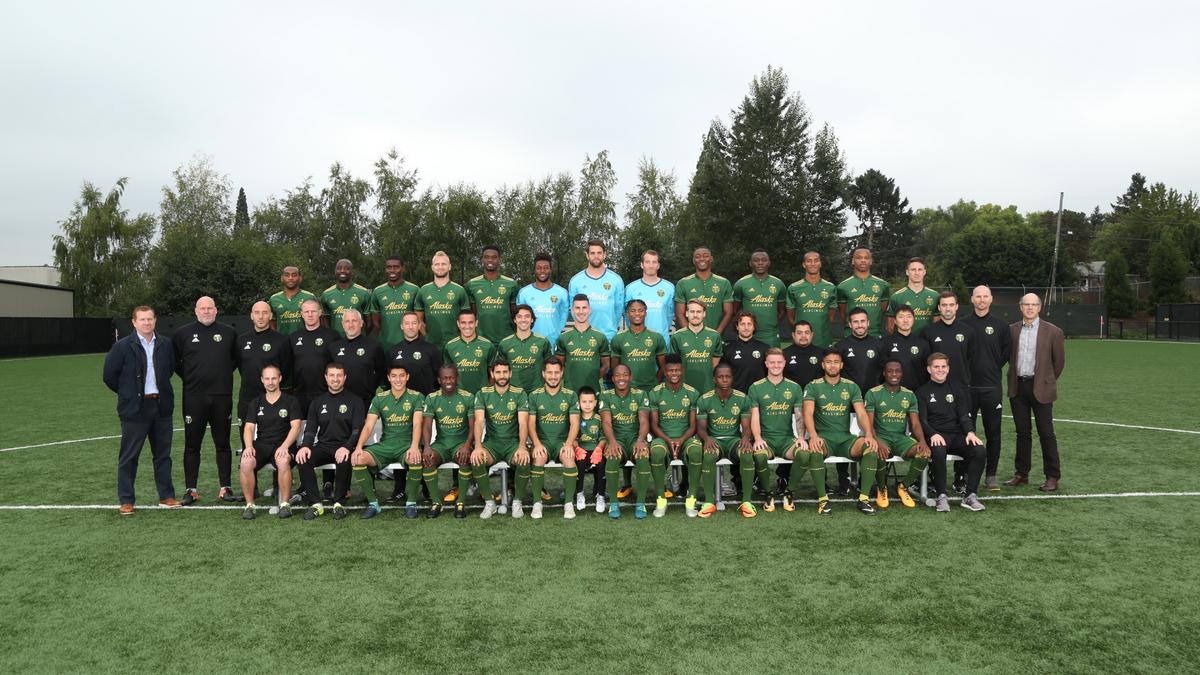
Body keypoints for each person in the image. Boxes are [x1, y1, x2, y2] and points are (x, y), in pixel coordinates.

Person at [103, 306, 179, 515]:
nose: (147, 323)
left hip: (161, 406)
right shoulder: (122, 346)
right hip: (135, 409)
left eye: (150, 319)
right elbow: (109, 376)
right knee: (129, 456)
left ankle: (166, 496)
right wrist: (129, 394)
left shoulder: (165, 344)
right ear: (134, 322)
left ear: (155, 321)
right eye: (142, 320)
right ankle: (127, 500)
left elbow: (169, 369)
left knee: (163, 455)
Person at [172, 296, 238, 505]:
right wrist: (192, 377)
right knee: (192, 445)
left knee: (223, 444)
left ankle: (225, 488)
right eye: (203, 308)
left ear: (216, 310)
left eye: (210, 308)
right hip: (194, 397)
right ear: (196, 311)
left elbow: (235, 361)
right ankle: (191, 490)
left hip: (222, 396)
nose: (207, 311)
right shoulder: (183, 333)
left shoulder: (229, 333)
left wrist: (220, 375)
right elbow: (175, 362)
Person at [802, 348, 877, 515]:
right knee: (814, 450)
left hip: (845, 439)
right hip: (824, 439)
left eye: (836, 362)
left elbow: (861, 413)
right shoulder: (813, 386)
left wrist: (869, 434)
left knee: (870, 449)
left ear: (841, 365)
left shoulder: (851, 387)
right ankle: (823, 500)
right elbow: (807, 413)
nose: (832, 365)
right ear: (823, 365)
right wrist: (813, 436)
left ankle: (863, 499)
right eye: (828, 362)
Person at [1005, 293, 1065, 492]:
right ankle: (1021, 474)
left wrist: (1045, 380)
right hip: (1018, 386)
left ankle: (1052, 476)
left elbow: (1059, 363)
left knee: (1046, 433)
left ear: (1039, 307)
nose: (1030, 308)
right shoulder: (1012, 330)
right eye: (1026, 305)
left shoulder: (1053, 332)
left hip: (1041, 388)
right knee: (1022, 433)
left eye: (1034, 305)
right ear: (1020, 307)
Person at [351, 364, 427, 520]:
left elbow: (417, 423)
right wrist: (358, 447)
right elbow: (368, 426)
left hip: (406, 445)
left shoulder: (417, 396)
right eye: (394, 376)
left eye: (401, 375)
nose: (398, 379)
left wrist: (414, 447)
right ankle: (373, 504)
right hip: (386, 445)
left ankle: (411, 503)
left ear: (407, 377)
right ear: (388, 378)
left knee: (415, 458)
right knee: (358, 459)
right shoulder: (380, 398)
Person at [917, 353, 987, 512]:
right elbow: (922, 420)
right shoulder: (922, 392)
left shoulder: (957, 389)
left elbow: (964, 415)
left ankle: (970, 496)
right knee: (939, 451)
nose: (940, 370)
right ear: (929, 369)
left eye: (943, 367)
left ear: (948, 369)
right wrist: (933, 433)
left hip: (957, 436)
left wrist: (970, 432)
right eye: (936, 367)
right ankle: (942, 496)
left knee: (979, 450)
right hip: (936, 436)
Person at [295, 362, 365, 520]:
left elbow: (357, 430)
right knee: (302, 458)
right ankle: (316, 504)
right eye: (332, 375)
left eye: (339, 375)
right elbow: (311, 429)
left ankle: (339, 503)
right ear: (326, 378)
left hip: (345, 447)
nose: (335, 379)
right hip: (324, 446)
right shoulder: (318, 402)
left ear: (345, 378)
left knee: (344, 458)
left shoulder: (355, 401)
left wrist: (347, 447)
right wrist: (305, 446)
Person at [862, 360, 932, 510]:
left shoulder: (909, 395)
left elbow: (915, 424)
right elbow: (869, 423)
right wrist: (876, 441)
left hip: (900, 438)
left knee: (924, 454)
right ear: (884, 373)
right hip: (880, 436)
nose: (894, 374)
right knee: (877, 452)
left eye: (897, 371)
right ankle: (882, 488)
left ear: (902, 373)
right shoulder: (873, 393)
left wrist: (922, 441)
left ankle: (903, 486)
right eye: (890, 371)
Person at [961, 285, 1012, 490]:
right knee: (967, 432)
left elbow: (1005, 355)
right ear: (972, 299)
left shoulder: (1001, 326)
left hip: (991, 388)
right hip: (967, 388)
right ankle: (964, 474)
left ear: (991, 300)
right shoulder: (963, 324)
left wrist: (989, 368)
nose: (981, 300)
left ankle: (991, 475)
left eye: (985, 296)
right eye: (978, 296)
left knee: (994, 433)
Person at [747, 348, 808, 513]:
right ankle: (768, 493)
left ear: (784, 364)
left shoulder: (794, 387)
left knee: (803, 453)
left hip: (786, 439)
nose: (776, 365)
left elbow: (799, 416)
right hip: (767, 440)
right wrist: (758, 438)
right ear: (766, 364)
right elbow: (755, 416)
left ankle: (789, 492)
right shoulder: (756, 388)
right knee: (759, 456)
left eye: (779, 362)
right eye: (772, 362)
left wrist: (801, 437)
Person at [237, 364, 301, 519]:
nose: (270, 382)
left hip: (284, 445)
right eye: (267, 379)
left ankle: (285, 505)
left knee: (283, 460)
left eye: (274, 378)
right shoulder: (256, 402)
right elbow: (249, 428)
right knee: (246, 462)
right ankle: (250, 505)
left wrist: (285, 446)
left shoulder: (290, 401)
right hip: (262, 445)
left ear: (280, 379)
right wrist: (248, 447)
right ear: (262, 380)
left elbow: (296, 427)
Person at [470, 360, 528, 519]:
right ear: (492, 374)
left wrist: (522, 447)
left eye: (504, 372)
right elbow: (479, 422)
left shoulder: (519, 393)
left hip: (512, 444)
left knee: (524, 460)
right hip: (492, 444)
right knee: (476, 460)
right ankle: (490, 503)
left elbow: (523, 423)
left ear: (510, 373)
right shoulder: (483, 393)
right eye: (498, 372)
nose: (502, 376)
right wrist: (478, 446)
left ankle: (517, 501)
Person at [695, 363, 754, 518]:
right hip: (715, 440)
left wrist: (746, 438)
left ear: (732, 378)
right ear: (715, 379)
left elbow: (746, 426)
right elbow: (701, 428)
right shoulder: (704, 399)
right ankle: (709, 501)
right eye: (720, 377)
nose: (724, 380)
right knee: (708, 454)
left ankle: (747, 502)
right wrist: (707, 438)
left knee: (747, 454)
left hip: (734, 440)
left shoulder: (743, 398)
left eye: (727, 376)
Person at [525, 357, 580, 519]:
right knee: (539, 457)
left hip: (562, 441)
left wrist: (569, 444)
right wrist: (536, 444)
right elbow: (530, 424)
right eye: (549, 372)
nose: (553, 376)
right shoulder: (534, 396)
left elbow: (575, 423)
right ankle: (537, 504)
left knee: (569, 458)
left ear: (562, 373)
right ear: (543, 374)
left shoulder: (570, 395)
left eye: (556, 372)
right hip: (542, 441)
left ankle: (569, 504)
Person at [647, 355, 701, 517]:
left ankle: (691, 499)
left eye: (677, 370)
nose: (674, 373)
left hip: (686, 438)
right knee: (656, 451)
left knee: (696, 450)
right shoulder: (655, 393)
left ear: (682, 371)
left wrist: (680, 440)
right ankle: (660, 499)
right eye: (670, 370)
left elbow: (693, 426)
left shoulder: (692, 393)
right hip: (663, 438)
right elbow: (654, 425)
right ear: (664, 371)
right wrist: (669, 440)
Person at [236, 301, 292, 454]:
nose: (261, 316)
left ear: (271, 316)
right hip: (247, 398)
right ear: (251, 316)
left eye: (265, 312)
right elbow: (241, 367)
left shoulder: (281, 340)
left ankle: (278, 478)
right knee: (248, 445)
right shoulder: (241, 340)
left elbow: (285, 369)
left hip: (273, 399)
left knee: (277, 442)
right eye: (257, 312)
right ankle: (251, 477)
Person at [421, 363, 477, 510]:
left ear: (457, 378)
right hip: (441, 444)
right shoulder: (432, 398)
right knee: (428, 459)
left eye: (451, 377)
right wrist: (427, 446)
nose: (448, 381)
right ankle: (436, 503)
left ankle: (461, 502)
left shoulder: (468, 397)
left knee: (466, 458)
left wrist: (467, 445)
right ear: (439, 380)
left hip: (461, 443)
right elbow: (426, 426)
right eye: (445, 378)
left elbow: (473, 426)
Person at [600, 364, 651, 519]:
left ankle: (641, 503)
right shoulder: (606, 395)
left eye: (625, 375)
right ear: (613, 378)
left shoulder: (640, 394)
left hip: (635, 438)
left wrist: (641, 440)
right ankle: (614, 503)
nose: (621, 378)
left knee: (642, 456)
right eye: (618, 375)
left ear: (630, 377)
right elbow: (606, 422)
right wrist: (612, 441)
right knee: (612, 455)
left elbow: (643, 420)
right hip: (618, 438)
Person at [327, 309, 387, 408]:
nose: (351, 325)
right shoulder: (333, 347)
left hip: (365, 401)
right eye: (347, 321)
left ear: (361, 323)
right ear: (342, 324)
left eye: (354, 321)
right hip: (339, 401)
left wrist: (370, 386)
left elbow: (381, 372)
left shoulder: (373, 346)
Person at [568, 239, 624, 340]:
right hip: (583, 337)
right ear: (587, 255)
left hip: (608, 338)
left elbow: (618, 309)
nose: (596, 256)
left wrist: (611, 328)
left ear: (604, 254)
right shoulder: (576, 281)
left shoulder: (616, 280)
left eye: (599, 253)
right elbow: (573, 309)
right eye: (592, 253)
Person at [415, 251, 471, 349]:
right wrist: (427, 337)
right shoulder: (423, 290)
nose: (440, 267)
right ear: (432, 267)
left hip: (455, 345)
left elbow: (467, 320)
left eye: (443, 264)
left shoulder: (459, 290)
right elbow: (418, 320)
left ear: (449, 266)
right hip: (430, 346)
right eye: (437, 264)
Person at [920, 291, 975, 388]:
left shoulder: (968, 331)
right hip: (936, 387)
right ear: (939, 307)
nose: (948, 308)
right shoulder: (928, 332)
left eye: (951, 305)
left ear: (956, 306)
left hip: (961, 385)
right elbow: (924, 361)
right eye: (944, 305)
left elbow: (971, 359)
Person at [557, 294, 610, 393]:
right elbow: (559, 365)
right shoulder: (563, 337)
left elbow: (606, 366)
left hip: (592, 391)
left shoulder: (600, 337)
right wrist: (569, 378)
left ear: (589, 310)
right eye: (577, 308)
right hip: (569, 392)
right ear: (572, 310)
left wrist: (593, 377)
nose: (581, 311)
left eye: (584, 308)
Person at [610, 299, 667, 390]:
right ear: (627, 314)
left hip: (650, 389)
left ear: (645, 313)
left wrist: (655, 382)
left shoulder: (657, 337)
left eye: (640, 310)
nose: (637, 314)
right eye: (633, 311)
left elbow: (664, 367)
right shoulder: (618, 338)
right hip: (627, 390)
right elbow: (614, 368)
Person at [674, 247, 733, 335]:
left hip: (717, 337)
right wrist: (690, 334)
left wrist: (717, 334)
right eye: (698, 256)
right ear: (693, 260)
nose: (702, 259)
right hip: (691, 338)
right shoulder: (683, 283)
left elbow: (728, 313)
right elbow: (680, 314)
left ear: (711, 259)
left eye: (705, 256)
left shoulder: (723, 283)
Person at [732, 249, 785, 346]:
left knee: (773, 360)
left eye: (764, 260)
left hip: (771, 335)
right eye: (756, 260)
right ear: (750, 263)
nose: (760, 263)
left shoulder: (779, 284)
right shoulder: (741, 283)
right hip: (748, 335)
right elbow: (735, 311)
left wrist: (771, 324)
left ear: (769, 263)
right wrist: (746, 325)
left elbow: (781, 311)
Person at [516, 251, 570, 346]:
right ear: (534, 270)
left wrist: (556, 334)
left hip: (554, 344)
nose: (542, 271)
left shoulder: (562, 293)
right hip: (530, 344)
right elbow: (520, 319)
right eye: (539, 268)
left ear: (550, 270)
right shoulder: (524, 293)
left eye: (546, 268)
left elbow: (563, 318)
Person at [466, 245, 518, 344]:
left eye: (494, 257)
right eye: (486, 257)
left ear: (500, 260)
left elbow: (514, 313)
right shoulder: (471, 284)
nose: (490, 260)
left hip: (506, 339)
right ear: (482, 260)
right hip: (480, 340)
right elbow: (472, 313)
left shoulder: (511, 284)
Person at [785, 251, 838, 348]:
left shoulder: (830, 287)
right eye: (809, 261)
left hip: (824, 340)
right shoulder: (793, 288)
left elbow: (830, 318)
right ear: (804, 265)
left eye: (816, 261)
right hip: (802, 341)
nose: (813, 264)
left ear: (820, 264)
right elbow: (791, 318)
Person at [497, 304, 554, 393]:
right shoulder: (504, 343)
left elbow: (550, 368)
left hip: (537, 393)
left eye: (527, 316)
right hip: (512, 394)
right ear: (514, 320)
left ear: (532, 319)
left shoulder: (543, 342)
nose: (523, 320)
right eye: (519, 317)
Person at [670, 300, 722, 395]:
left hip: (708, 389)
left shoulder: (714, 336)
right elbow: (674, 366)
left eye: (698, 312)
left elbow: (715, 364)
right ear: (686, 313)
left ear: (704, 314)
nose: (695, 315)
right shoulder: (677, 336)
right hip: (684, 389)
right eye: (692, 311)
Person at [371, 255, 421, 353]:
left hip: (410, 344)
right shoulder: (378, 291)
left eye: (396, 267)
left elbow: (419, 319)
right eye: (389, 267)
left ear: (403, 268)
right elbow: (376, 322)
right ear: (385, 269)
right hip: (386, 345)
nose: (392, 270)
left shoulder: (414, 289)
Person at [837, 247, 890, 338]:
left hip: (875, 336)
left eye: (866, 258)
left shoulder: (883, 285)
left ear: (871, 261)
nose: (863, 260)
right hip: (851, 336)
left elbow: (882, 310)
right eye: (859, 258)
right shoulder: (843, 286)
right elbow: (843, 314)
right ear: (853, 261)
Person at [442, 309, 497, 395]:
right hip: (459, 397)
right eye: (463, 323)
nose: (467, 326)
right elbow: (448, 374)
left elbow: (494, 374)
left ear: (476, 323)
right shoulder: (449, 346)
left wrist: (487, 391)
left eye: (470, 322)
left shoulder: (488, 345)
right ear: (458, 324)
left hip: (482, 396)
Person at [387, 311, 441, 396]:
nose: (410, 327)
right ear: (402, 326)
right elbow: (388, 379)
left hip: (425, 400)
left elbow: (438, 376)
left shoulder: (431, 349)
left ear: (419, 325)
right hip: (400, 401)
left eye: (414, 323)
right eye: (407, 323)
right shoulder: (393, 351)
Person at [624, 249, 675, 338]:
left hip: (661, 341)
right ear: (642, 265)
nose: (651, 265)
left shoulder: (669, 288)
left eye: (654, 262)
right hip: (637, 340)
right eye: (647, 262)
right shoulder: (630, 288)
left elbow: (670, 315)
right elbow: (627, 315)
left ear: (658, 265)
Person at [573, 387, 608, 515]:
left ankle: (600, 495)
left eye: (590, 401)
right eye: (584, 402)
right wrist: (577, 448)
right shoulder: (575, 418)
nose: (587, 405)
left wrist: (599, 449)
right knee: (580, 463)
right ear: (579, 403)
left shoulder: (599, 419)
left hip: (595, 450)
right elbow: (573, 438)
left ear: (595, 402)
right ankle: (579, 493)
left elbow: (603, 438)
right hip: (581, 450)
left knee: (601, 464)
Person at [881, 304, 930, 391]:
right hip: (892, 392)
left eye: (909, 317)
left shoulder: (923, 344)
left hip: (917, 392)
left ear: (913, 320)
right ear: (895, 321)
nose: (905, 320)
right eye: (901, 317)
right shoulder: (885, 343)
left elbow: (927, 371)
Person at [320, 258, 374, 337]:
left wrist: (361, 337)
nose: (342, 271)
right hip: (335, 342)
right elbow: (325, 320)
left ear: (352, 272)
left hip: (357, 341)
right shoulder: (326, 294)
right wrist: (330, 337)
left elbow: (369, 323)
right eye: (339, 268)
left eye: (347, 268)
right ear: (335, 271)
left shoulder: (363, 293)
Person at [886, 257, 940, 335]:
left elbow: (937, 325)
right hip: (905, 344)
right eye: (913, 269)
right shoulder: (896, 297)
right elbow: (890, 327)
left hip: (927, 343)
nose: (917, 273)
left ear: (924, 272)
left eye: (920, 269)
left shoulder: (935, 296)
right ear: (907, 272)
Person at [722, 311, 769, 394]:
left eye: (749, 324)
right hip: (736, 396)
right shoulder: (728, 349)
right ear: (737, 326)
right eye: (742, 324)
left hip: (759, 395)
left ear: (754, 327)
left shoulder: (764, 348)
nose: (746, 327)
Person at [269, 266, 318, 336]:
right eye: (287, 275)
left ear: (300, 278)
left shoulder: (309, 297)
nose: (290, 278)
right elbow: (272, 322)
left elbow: (318, 321)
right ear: (282, 278)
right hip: (282, 342)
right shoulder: (274, 299)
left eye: (294, 275)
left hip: (305, 341)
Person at [782, 321, 824, 387]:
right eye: (799, 333)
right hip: (791, 394)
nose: (803, 336)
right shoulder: (784, 354)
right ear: (793, 335)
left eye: (807, 332)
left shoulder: (822, 353)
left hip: (816, 394)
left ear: (812, 335)